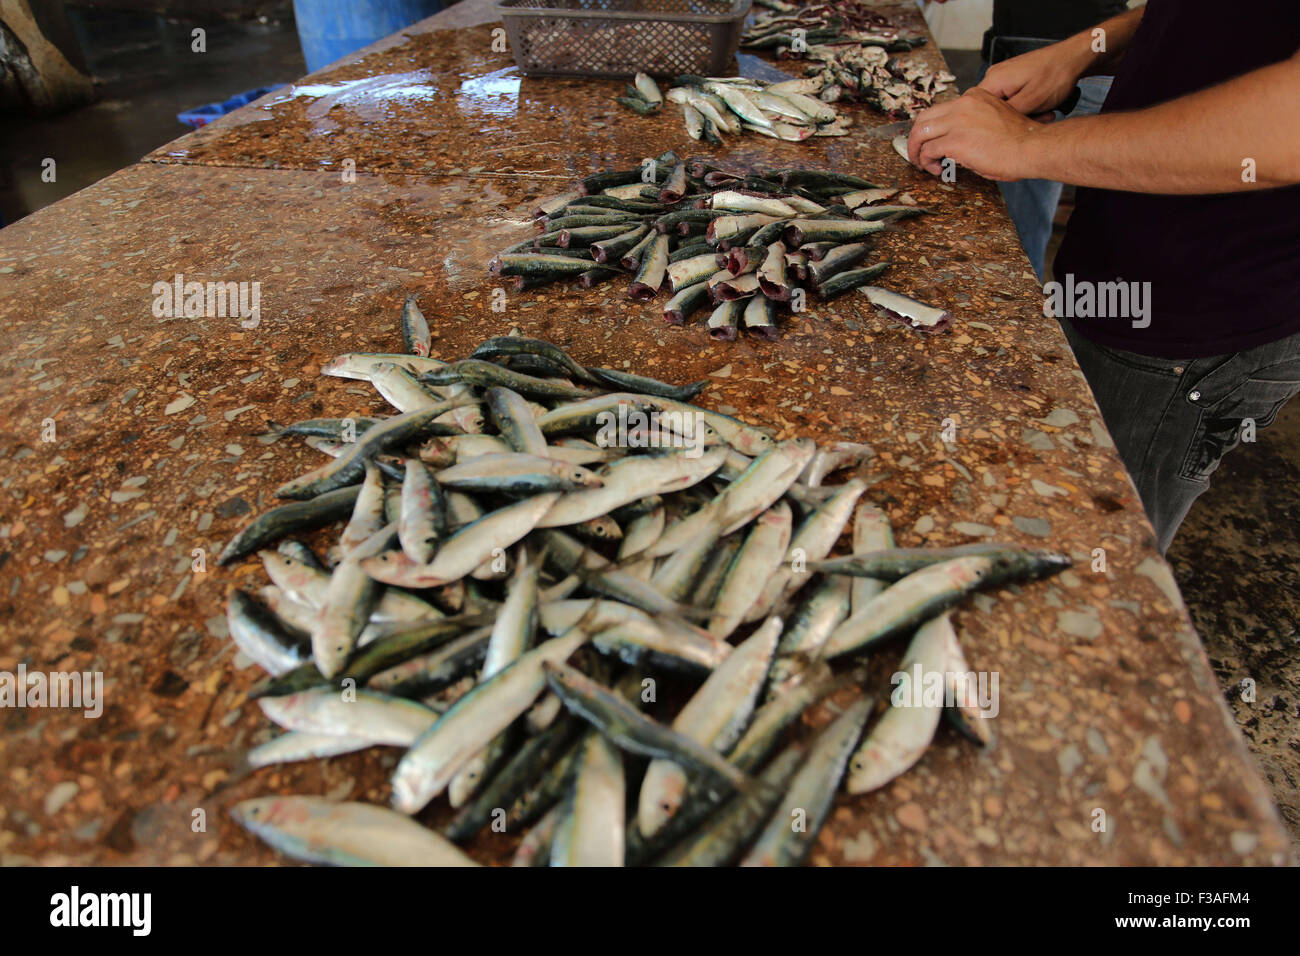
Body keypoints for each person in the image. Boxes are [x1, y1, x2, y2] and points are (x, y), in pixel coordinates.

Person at [907, 1, 1300, 553]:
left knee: (1088, 554)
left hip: (1201, 322)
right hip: (1118, 274)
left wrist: (1027, 146)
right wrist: (1079, 53)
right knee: (1040, 502)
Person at [930, 0, 1128, 278]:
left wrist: (1027, 145)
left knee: (1012, 235)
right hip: (1040, 58)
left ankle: (1013, 307)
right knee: (1008, 227)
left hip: (1059, 64)